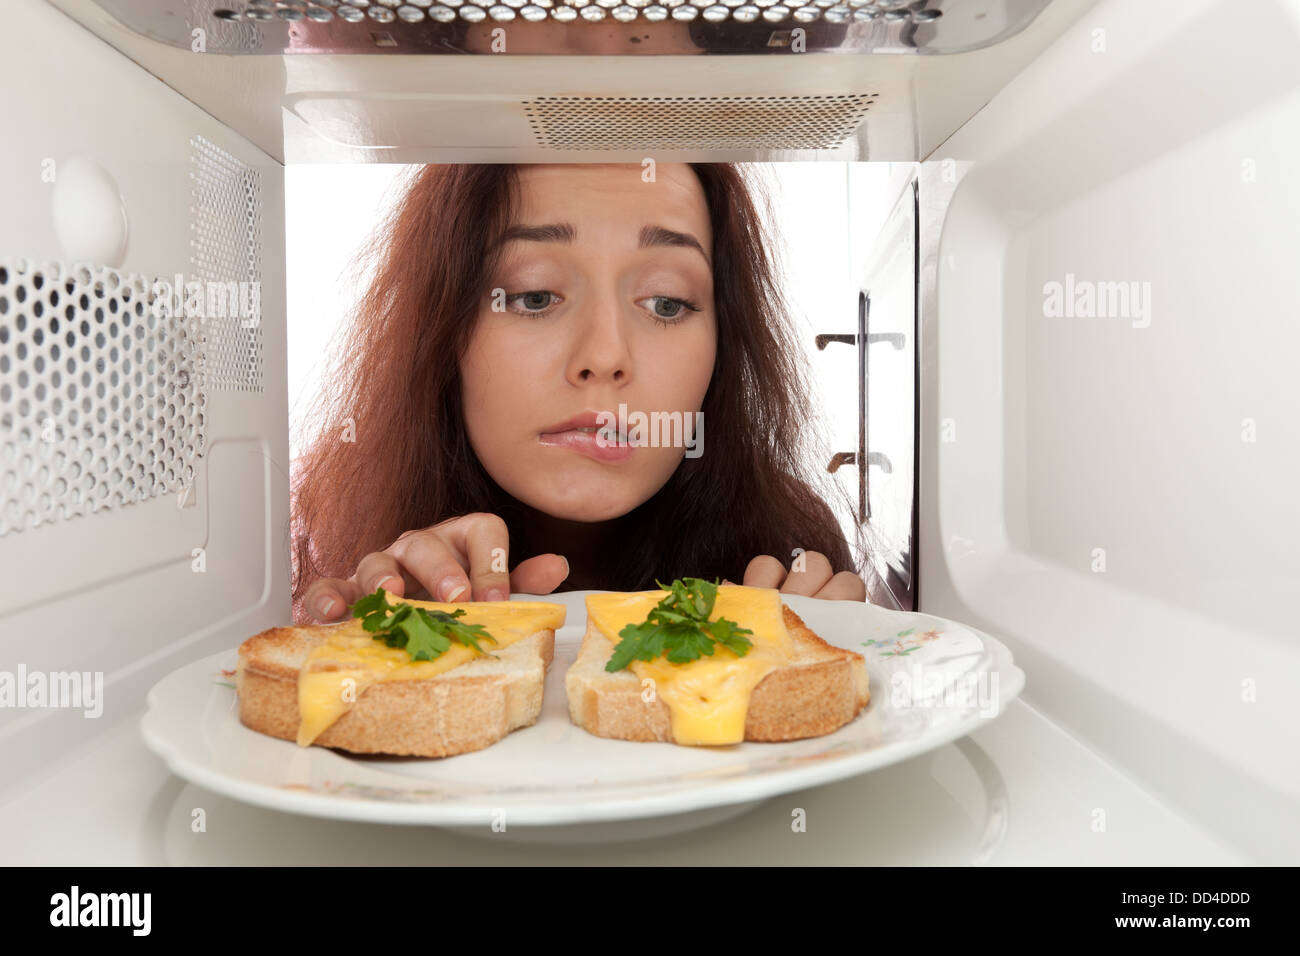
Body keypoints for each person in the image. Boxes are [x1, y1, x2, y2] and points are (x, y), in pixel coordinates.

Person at [292, 163, 867, 625]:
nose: (605, 357)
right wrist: (380, 641)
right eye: (536, 297)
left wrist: (820, 655)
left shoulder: (787, 551)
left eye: (666, 302)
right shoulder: (323, 536)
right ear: (442, 333)